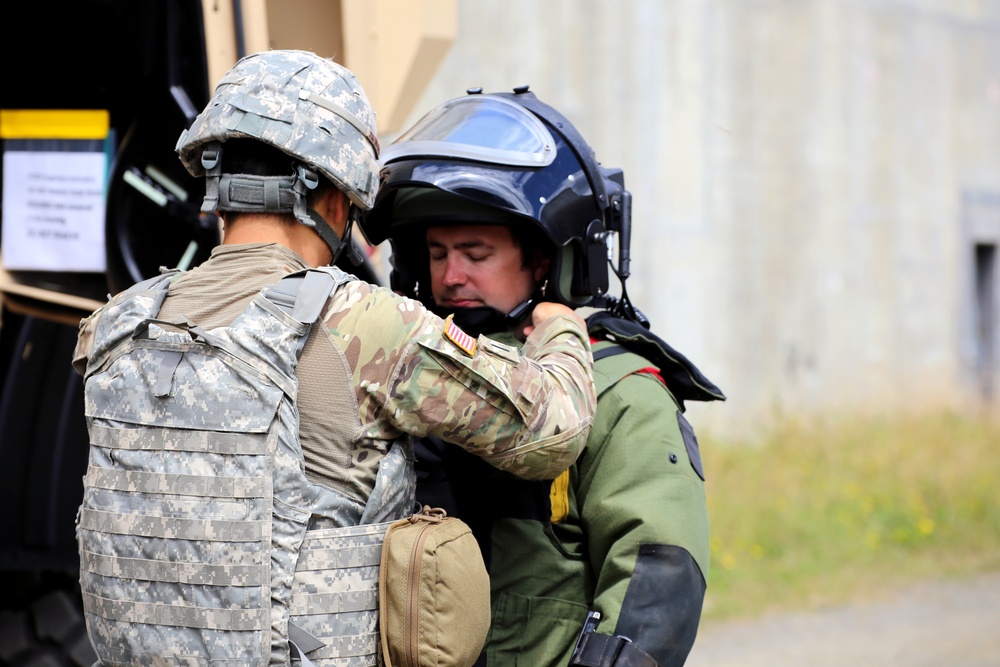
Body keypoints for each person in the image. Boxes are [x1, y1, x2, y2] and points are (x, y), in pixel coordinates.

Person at [71, 52, 596, 666]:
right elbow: (552, 431)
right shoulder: (364, 323)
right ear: (335, 198)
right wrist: (561, 332)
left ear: (215, 187)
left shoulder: (116, 325)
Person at [361, 87, 726, 667]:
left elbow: (656, 574)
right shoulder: (404, 373)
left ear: (540, 261)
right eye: (437, 254)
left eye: (476, 254)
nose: (451, 275)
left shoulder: (618, 390)